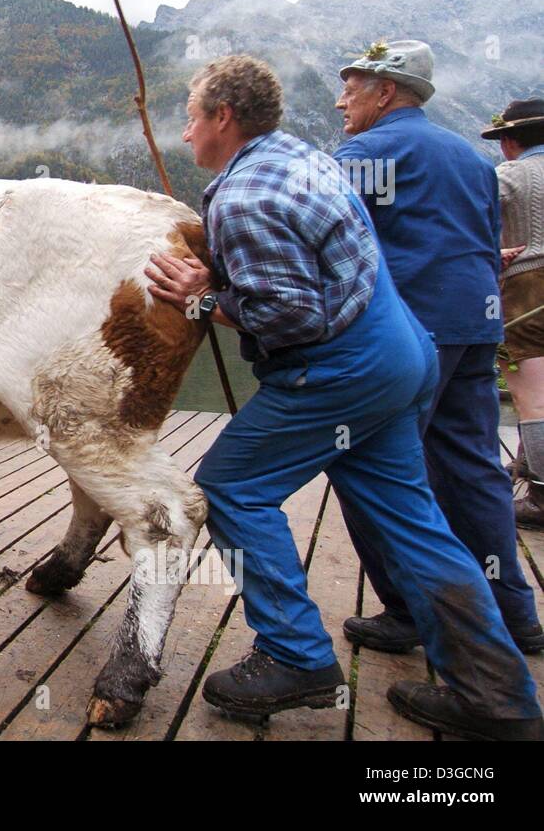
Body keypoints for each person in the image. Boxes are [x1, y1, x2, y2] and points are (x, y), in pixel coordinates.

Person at [145, 54, 541, 740]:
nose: (184, 135)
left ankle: (295, 653)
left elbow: (292, 317)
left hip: (342, 367)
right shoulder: (298, 156)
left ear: (222, 118)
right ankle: (496, 696)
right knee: (411, 520)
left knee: (230, 487)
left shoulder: (242, 198)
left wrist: (203, 297)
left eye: (189, 118)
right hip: (403, 345)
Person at [333, 42, 543, 654]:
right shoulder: (470, 157)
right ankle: (514, 613)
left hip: (409, 334)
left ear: (386, 92)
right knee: (473, 468)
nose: (341, 97)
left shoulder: (369, 152)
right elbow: (477, 240)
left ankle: (408, 609)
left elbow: (322, 233)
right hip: (477, 331)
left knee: (366, 464)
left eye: (353, 85)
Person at [483, 98, 544, 530]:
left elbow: (473, 224)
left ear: (508, 142)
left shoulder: (509, 175)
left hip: (527, 286)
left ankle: (541, 497)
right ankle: (528, 467)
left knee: (531, 396)